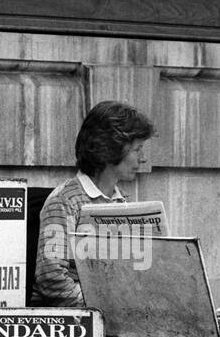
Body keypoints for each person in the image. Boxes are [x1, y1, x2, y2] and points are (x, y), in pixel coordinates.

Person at [31, 100, 154, 307]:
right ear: (112, 149)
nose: (143, 158)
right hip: (76, 324)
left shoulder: (122, 201)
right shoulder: (64, 202)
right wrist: (104, 307)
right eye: (137, 149)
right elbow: (52, 279)